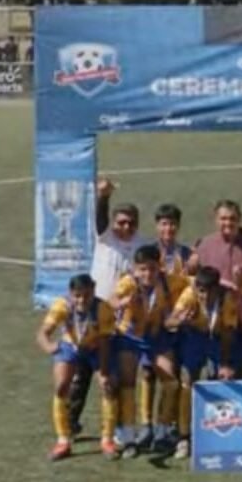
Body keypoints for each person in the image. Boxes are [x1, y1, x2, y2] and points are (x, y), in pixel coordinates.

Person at [71, 179, 144, 435]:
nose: (126, 227)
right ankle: (70, 423)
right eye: (121, 222)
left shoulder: (142, 245)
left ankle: (115, 428)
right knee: (81, 374)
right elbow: (100, 219)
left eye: (131, 222)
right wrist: (103, 197)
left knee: (112, 374)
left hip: (124, 318)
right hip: (95, 310)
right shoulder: (105, 237)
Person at [109, 245, 186, 457]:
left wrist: (179, 315)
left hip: (157, 338)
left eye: (152, 268)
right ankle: (128, 437)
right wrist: (123, 302)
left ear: (159, 266)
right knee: (127, 384)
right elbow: (111, 301)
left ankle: (161, 432)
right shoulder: (129, 282)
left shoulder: (169, 281)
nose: (148, 274)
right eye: (143, 269)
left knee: (170, 382)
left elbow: (191, 286)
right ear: (135, 268)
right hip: (130, 337)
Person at [36, 274, 119, 461]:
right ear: (70, 293)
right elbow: (43, 332)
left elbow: (105, 342)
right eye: (77, 296)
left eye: (86, 295)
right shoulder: (62, 306)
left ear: (94, 291)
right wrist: (50, 347)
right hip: (70, 346)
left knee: (109, 386)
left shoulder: (103, 309)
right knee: (61, 387)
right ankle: (63, 440)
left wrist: (104, 371)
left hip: (96, 348)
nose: (81, 300)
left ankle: (107, 440)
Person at [166, 265, 239, 459]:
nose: (204, 296)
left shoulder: (227, 299)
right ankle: (184, 437)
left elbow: (228, 333)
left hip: (216, 338)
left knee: (221, 380)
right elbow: (169, 322)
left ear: (217, 288)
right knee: (188, 381)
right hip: (194, 337)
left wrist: (224, 362)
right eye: (201, 291)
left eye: (208, 291)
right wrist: (179, 320)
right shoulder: (189, 295)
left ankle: (216, 432)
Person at [195, 200, 242, 287]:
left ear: (239, 219)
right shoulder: (205, 246)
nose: (228, 223)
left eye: (232, 218)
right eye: (223, 219)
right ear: (216, 220)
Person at [152, 203, 195, 276]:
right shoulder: (149, 251)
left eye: (172, 224)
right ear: (157, 226)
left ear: (178, 225)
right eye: (164, 224)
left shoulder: (187, 253)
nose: (168, 228)